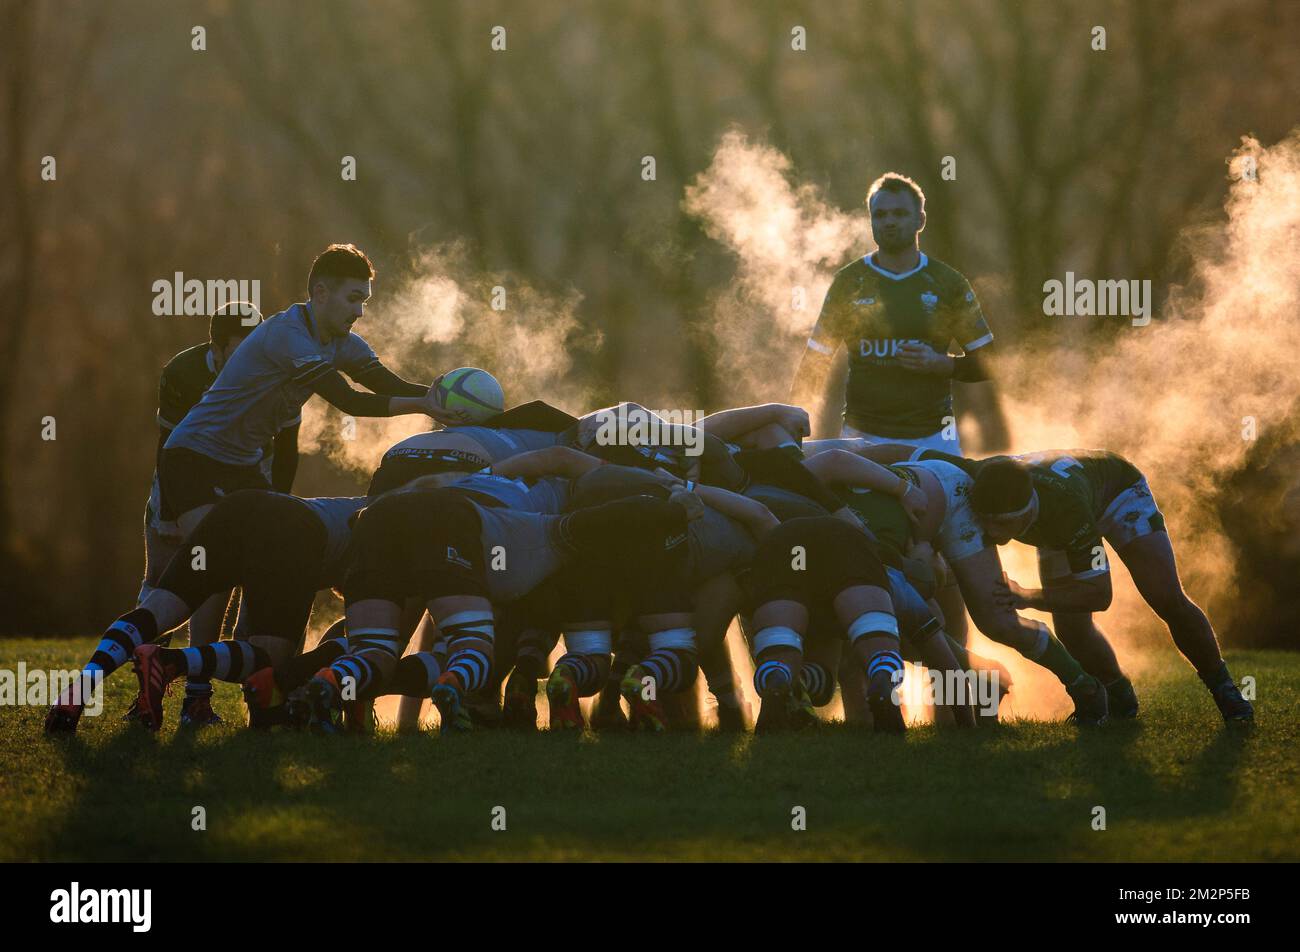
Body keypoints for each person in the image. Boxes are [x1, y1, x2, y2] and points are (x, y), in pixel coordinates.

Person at [157, 244, 460, 545]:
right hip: (193, 456)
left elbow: (391, 386)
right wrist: (423, 405)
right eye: (353, 299)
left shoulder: (346, 343)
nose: (360, 312)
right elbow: (349, 400)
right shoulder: (288, 335)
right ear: (321, 293)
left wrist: (454, 401)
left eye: (364, 301)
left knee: (267, 558)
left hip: (243, 465)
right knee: (217, 565)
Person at [928, 449, 1254, 724]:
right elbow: (921, 455)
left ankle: (1226, 691)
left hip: (1119, 493)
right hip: (1060, 517)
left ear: (1024, 511)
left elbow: (1101, 594)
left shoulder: (1066, 511)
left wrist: (1027, 596)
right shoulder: (978, 476)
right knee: (1072, 629)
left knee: (1166, 598)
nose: (990, 532)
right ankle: (1118, 697)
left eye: (1000, 524)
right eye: (984, 520)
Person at [45, 490, 362, 733]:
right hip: (292, 527)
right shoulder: (382, 541)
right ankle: (168, 662)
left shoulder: (365, 504)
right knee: (270, 663)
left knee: (160, 608)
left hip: (240, 507)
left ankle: (78, 690)